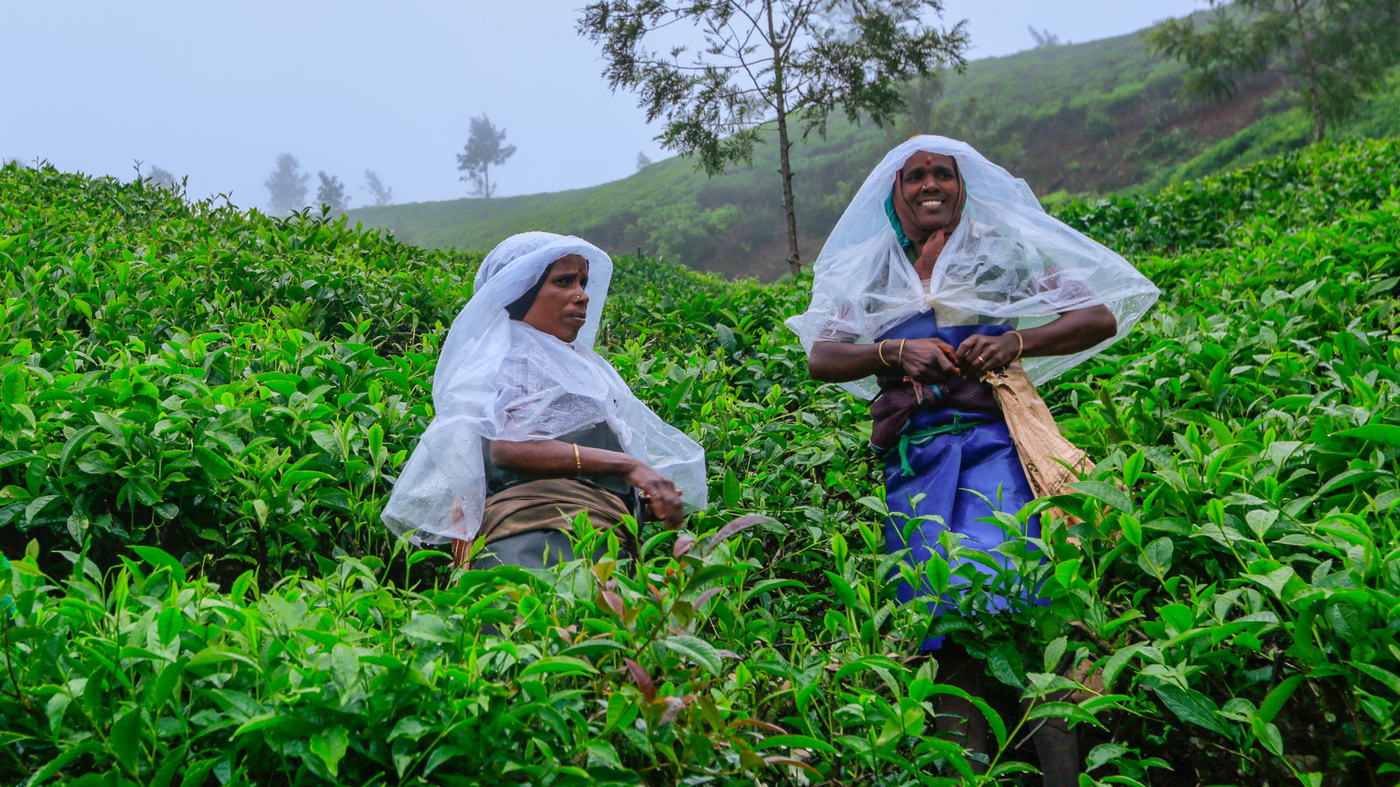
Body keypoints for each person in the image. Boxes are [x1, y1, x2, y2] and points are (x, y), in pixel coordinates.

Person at [787, 137, 1159, 785]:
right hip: (915, 459)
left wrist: (1017, 338)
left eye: (944, 174)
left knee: (1020, 594)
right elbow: (823, 355)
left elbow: (1094, 315)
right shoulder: (870, 267)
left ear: (963, 186)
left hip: (994, 444)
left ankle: (1060, 773)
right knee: (940, 618)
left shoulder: (1000, 252)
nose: (932, 185)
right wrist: (894, 354)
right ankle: (969, 770)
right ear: (894, 192)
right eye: (917, 176)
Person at [383, 232, 707, 569]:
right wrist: (629, 467)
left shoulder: (578, 365)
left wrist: (635, 503)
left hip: (601, 549)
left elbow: (579, 463)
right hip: (534, 548)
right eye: (564, 281)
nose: (581, 295)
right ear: (521, 293)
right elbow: (508, 448)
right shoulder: (513, 355)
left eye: (582, 281)